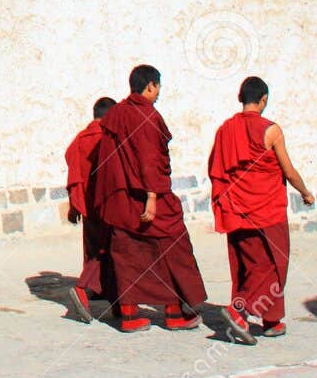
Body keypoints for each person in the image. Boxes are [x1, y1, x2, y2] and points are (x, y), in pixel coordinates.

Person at [92, 64, 253, 343]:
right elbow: (149, 159)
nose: (158, 94)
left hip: (122, 199)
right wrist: (152, 198)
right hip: (147, 198)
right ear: (151, 86)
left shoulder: (116, 113)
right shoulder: (146, 116)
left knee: (128, 252)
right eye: (158, 88)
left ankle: (130, 314)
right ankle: (176, 311)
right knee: (174, 247)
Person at [208, 75, 314, 338]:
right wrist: (305, 192)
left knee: (249, 265)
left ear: (240, 98)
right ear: (264, 99)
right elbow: (288, 170)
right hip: (267, 209)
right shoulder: (272, 130)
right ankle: (237, 310)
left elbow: (216, 171)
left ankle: (272, 320)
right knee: (271, 265)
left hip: (237, 208)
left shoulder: (224, 130)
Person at [62, 96, 117, 323]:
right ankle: (83, 289)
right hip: (107, 203)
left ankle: (110, 297)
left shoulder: (81, 138)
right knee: (108, 250)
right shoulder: (107, 136)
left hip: (87, 204)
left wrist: (75, 203)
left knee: (95, 247)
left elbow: (71, 160)